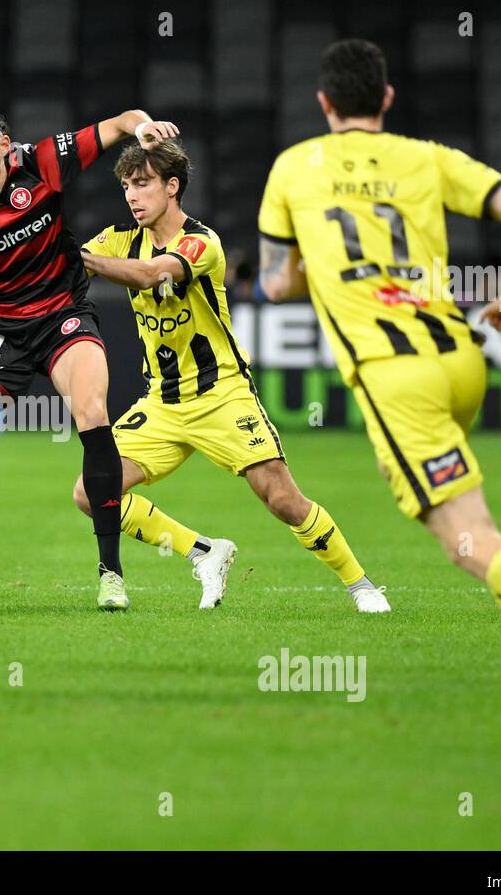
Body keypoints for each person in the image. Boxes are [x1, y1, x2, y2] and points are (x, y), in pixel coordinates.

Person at [256, 39, 501, 688]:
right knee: (436, 490)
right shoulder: (425, 157)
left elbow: (274, 284)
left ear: (324, 103)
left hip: (394, 373)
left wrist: (314, 265)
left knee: (465, 539)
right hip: (462, 358)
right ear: (385, 99)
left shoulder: (294, 167)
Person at [79, 141, 389, 612]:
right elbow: (70, 260)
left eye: (142, 184)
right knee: (92, 491)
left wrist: (78, 259)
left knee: (282, 498)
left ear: (172, 186)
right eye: (126, 186)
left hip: (222, 394)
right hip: (163, 401)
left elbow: (149, 275)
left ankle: (361, 585)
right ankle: (203, 552)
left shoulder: (201, 243)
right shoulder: (119, 237)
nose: (132, 196)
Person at [0, 103, 179, 611]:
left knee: (91, 413)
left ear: (2, 145)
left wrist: (143, 127)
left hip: (62, 313)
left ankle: (111, 572)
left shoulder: (42, 162)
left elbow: (120, 122)